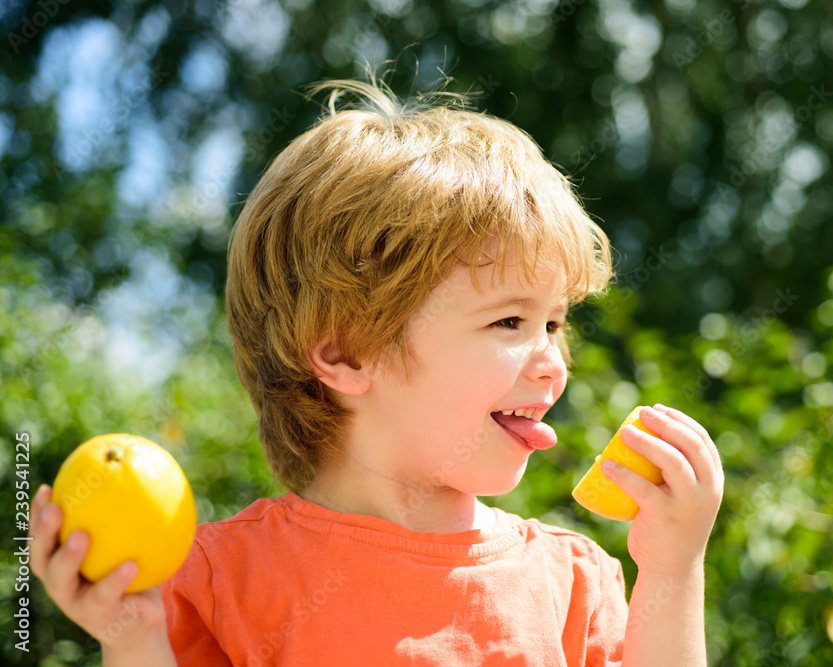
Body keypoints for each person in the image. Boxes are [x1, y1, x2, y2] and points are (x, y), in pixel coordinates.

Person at [29, 78, 724, 666]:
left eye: (555, 323)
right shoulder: (216, 582)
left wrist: (671, 568)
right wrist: (133, 639)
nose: (554, 364)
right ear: (346, 354)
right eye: (509, 322)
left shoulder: (574, 585)